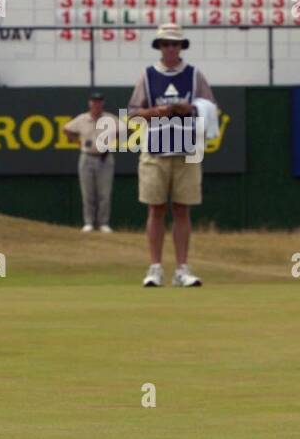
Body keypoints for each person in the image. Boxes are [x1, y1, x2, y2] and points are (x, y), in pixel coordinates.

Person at [127, 23, 216, 287]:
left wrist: (187, 108)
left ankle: (182, 268)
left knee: (181, 209)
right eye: (165, 43)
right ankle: (155, 267)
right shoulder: (147, 75)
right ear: (159, 46)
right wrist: (156, 112)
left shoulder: (194, 75)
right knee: (155, 209)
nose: (170, 48)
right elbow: (133, 112)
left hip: (186, 149)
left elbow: (210, 107)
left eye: (174, 43)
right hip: (155, 148)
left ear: (181, 46)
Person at [62, 92, 118, 233]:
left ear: (102, 103)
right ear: (90, 103)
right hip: (87, 156)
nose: (96, 104)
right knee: (88, 193)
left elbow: (123, 129)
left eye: (99, 102)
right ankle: (88, 223)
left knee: (104, 193)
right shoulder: (82, 119)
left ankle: (103, 223)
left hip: (104, 157)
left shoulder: (110, 118)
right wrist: (77, 141)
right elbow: (66, 129)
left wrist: (111, 140)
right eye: (94, 102)